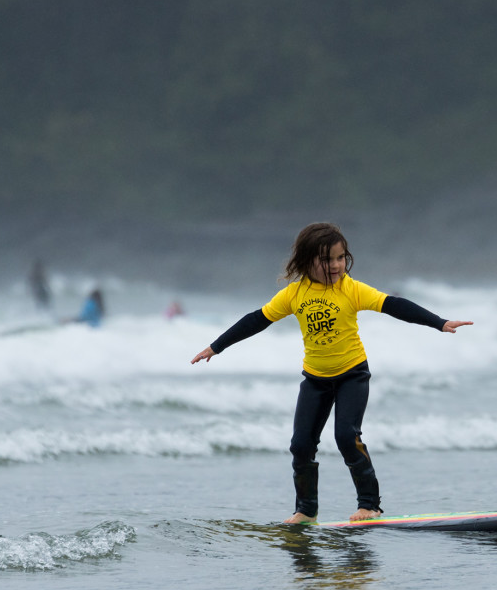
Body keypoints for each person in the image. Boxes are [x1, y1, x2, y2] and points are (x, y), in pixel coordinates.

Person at [191, 222, 472, 524]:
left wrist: (439, 322)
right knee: (300, 445)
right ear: (306, 260)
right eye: (327, 260)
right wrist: (216, 346)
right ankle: (306, 510)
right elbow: (256, 320)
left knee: (346, 437)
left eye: (340, 257)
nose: (336, 265)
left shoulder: (350, 289)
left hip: (352, 375)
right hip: (315, 380)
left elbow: (394, 305)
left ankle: (370, 505)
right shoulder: (294, 294)